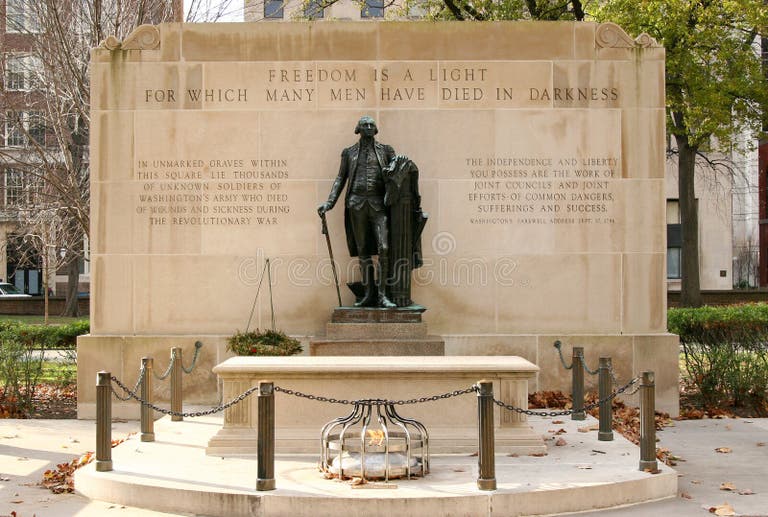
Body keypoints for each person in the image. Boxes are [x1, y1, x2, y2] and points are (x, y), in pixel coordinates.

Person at [317, 116, 398, 308]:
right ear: (358, 129)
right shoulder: (349, 152)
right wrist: (329, 203)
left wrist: (395, 167)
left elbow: (398, 172)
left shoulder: (386, 150)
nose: (369, 128)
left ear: (375, 129)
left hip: (378, 204)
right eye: (365, 125)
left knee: (384, 248)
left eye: (372, 125)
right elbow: (340, 179)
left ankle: (383, 295)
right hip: (356, 203)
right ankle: (369, 294)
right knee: (362, 250)